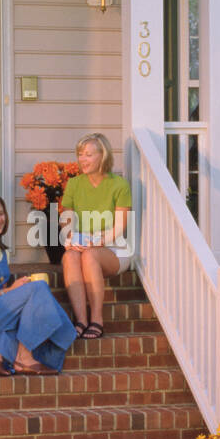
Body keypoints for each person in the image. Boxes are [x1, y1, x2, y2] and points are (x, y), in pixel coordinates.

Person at [0, 194, 76, 376]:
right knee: (39, 288)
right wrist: (9, 291)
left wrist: (15, 291)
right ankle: (24, 357)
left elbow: (7, 300)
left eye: (1, 214)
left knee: (32, 305)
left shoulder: (3, 252)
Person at [60, 132, 132, 339]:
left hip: (114, 249)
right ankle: (81, 320)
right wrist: (70, 236)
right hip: (85, 245)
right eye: (80, 154)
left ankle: (97, 319)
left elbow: (119, 228)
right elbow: (66, 220)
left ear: (104, 156)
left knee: (89, 255)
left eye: (89, 155)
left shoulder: (119, 185)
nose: (82, 159)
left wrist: (95, 241)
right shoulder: (74, 184)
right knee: (70, 256)